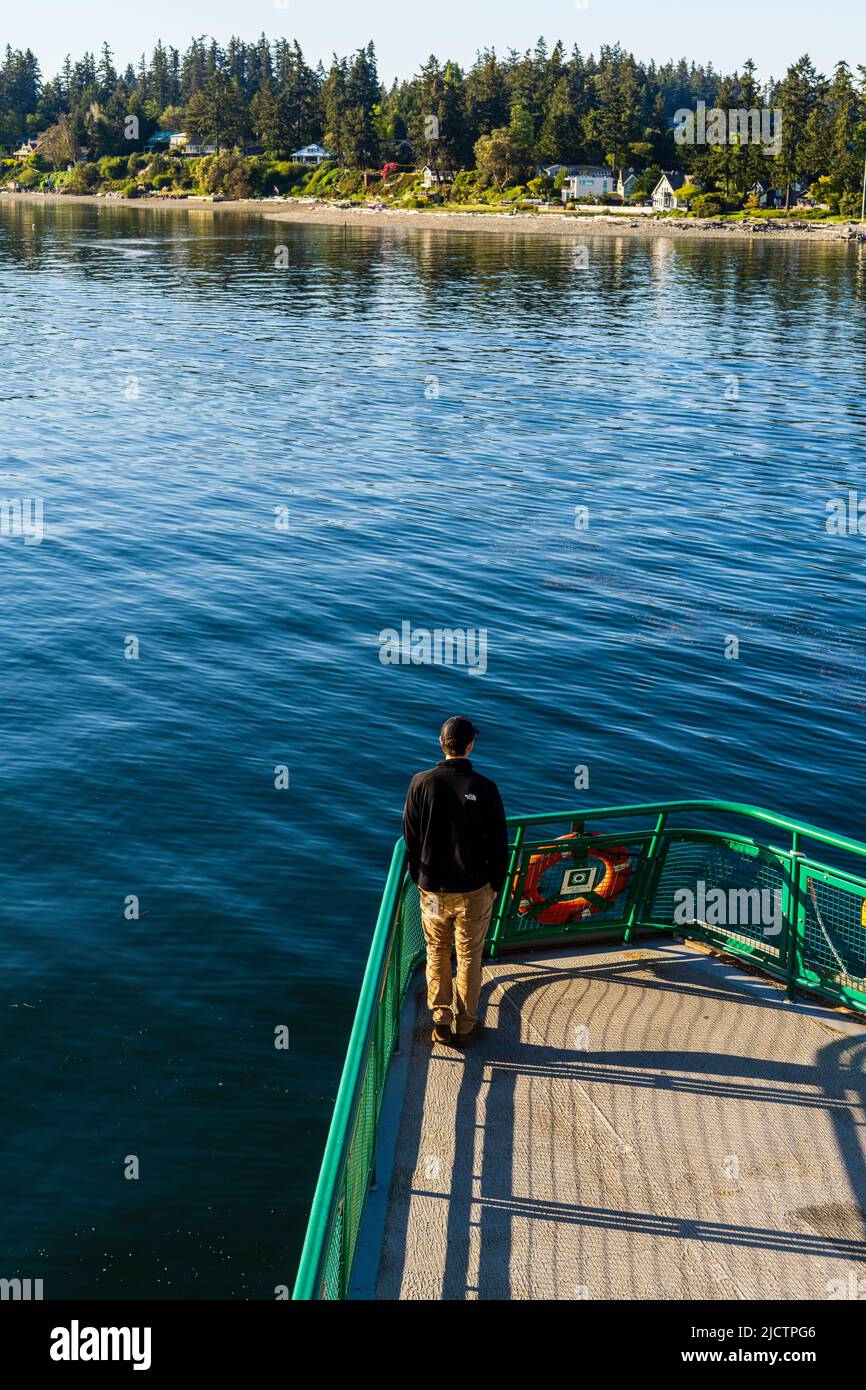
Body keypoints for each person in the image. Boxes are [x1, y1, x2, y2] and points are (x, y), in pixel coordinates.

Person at [402, 717, 509, 1048]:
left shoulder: (421, 783)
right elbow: (499, 844)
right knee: (469, 955)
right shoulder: (486, 788)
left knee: (436, 950)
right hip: (474, 891)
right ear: (470, 745)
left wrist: (420, 877)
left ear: (440, 742)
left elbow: (411, 837)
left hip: (433, 890)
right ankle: (466, 1024)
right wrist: (495, 884)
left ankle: (440, 1021)